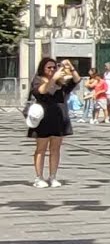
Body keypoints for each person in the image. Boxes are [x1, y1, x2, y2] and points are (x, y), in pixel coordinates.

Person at [28, 58, 81, 188]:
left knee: (55, 149)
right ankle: (39, 177)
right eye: (49, 67)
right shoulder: (38, 80)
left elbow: (76, 80)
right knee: (41, 149)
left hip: (58, 118)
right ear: (43, 69)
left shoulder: (60, 82)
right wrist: (53, 79)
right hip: (43, 118)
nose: (52, 70)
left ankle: (52, 176)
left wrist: (70, 67)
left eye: (54, 67)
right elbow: (42, 91)